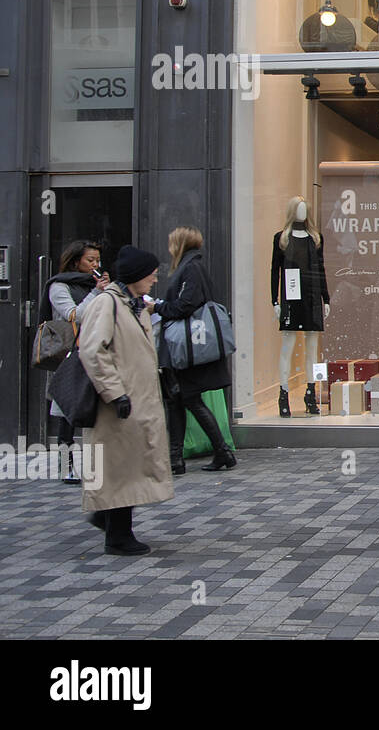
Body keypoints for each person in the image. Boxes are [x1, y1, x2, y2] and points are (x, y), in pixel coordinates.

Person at [79, 246, 175, 556]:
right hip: (119, 403)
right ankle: (117, 535)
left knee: (130, 464)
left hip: (136, 400)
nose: (155, 279)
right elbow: (93, 350)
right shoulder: (107, 304)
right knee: (120, 467)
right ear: (135, 276)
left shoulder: (133, 306)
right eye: (151, 274)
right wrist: (114, 392)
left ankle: (108, 520)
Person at [154, 227, 237, 474]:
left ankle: (221, 452)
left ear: (178, 244)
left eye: (171, 243)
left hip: (186, 348)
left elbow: (185, 305)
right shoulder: (195, 266)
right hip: (189, 346)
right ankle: (177, 459)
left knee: (187, 398)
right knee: (177, 400)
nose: (169, 249)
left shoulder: (189, 268)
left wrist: (159, 307)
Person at [40, 240, 111, 484]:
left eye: (97, 260)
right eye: (90, 260)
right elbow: (74, 315)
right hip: (70, 353)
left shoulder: (94, 284)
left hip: (93, 349)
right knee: (67, 411)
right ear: (75, 260)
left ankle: (100, 463)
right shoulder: (59, 286)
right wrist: (96, 293)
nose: (95, 265)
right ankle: (65, 466)